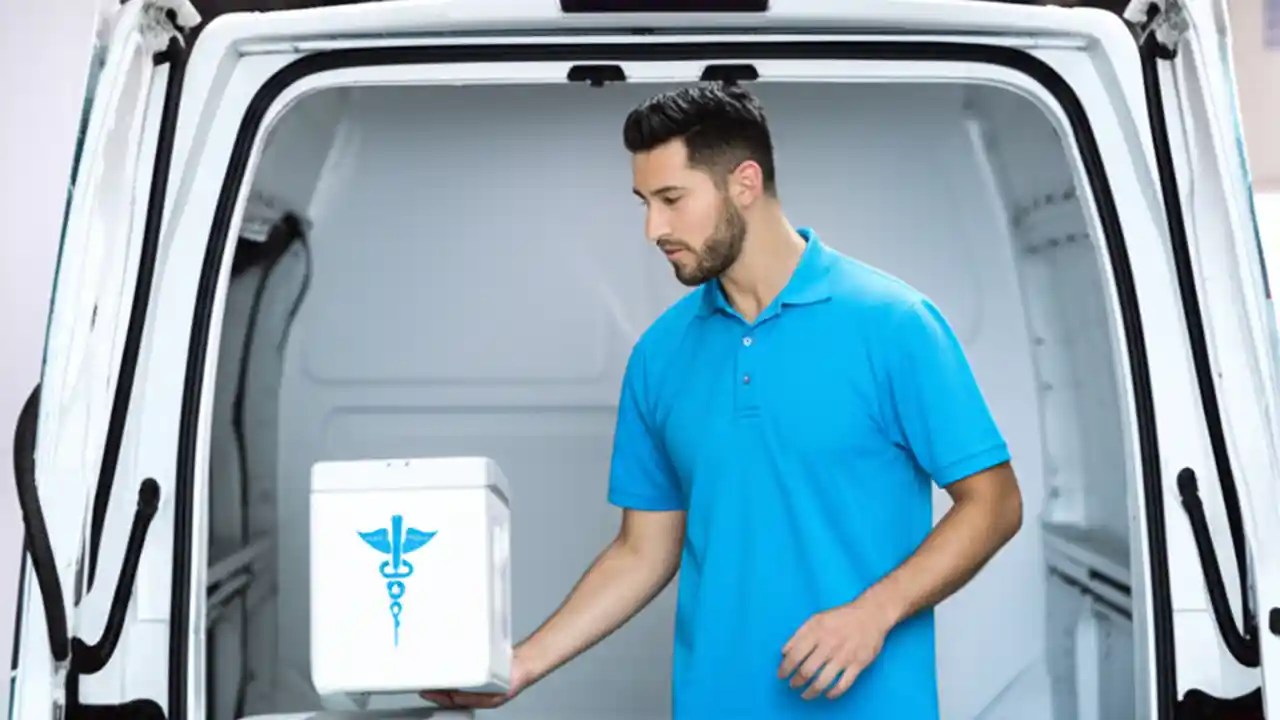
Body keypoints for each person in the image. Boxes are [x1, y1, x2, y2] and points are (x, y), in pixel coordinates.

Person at [422, 83, 1023, 718]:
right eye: (645, 203)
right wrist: (521, 663)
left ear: (744, 183)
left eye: (671, 199)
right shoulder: (660, 355)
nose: (653, 228)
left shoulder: (893, 324)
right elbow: (643, 550)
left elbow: (995, 503)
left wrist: (874, 612)